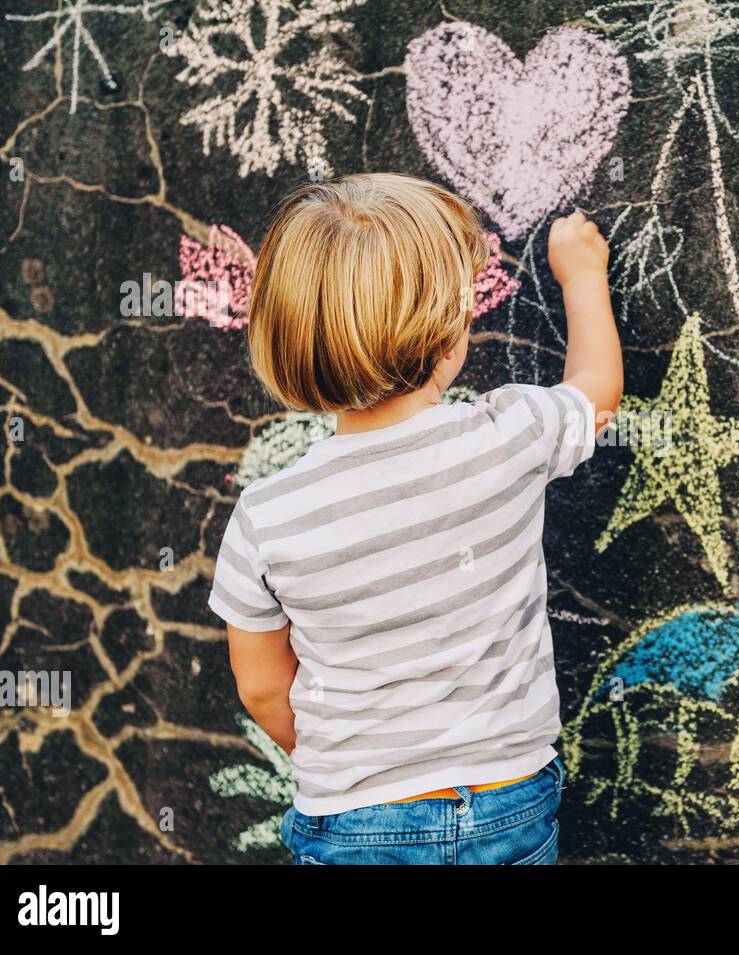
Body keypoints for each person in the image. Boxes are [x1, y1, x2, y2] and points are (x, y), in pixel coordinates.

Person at [207, 173, 622, 864]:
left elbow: (259, 684)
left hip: (356, 820)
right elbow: (595, 394)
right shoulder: (508, 436)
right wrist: (581, 272)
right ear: (448, 335)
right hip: (507, 799)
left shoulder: (265, 516)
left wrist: (345, 765)